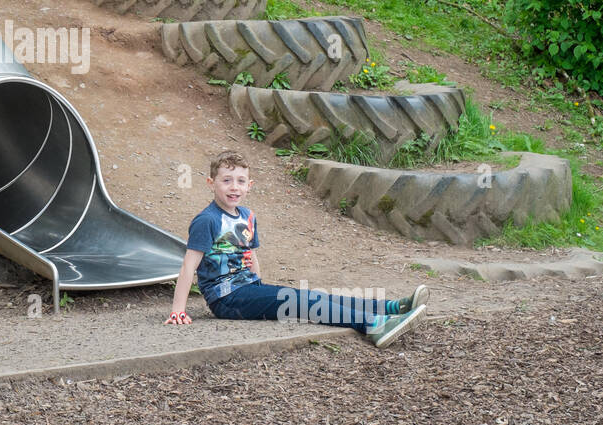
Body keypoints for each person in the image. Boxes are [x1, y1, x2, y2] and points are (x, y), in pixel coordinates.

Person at [165, 149, 427, 349]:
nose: (234, 187)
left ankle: (391, 308)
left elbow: (250, 254)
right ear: (211, 183)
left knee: (315, 296)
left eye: (241, 181)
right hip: (226, 299)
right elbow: (189, 265)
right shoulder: (207, 220)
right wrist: (179, 309)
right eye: (226, 180)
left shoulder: (247, 215)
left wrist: (260, 288)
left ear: (249, 185)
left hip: (247, 289)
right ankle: (374, 326)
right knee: (301, 302)